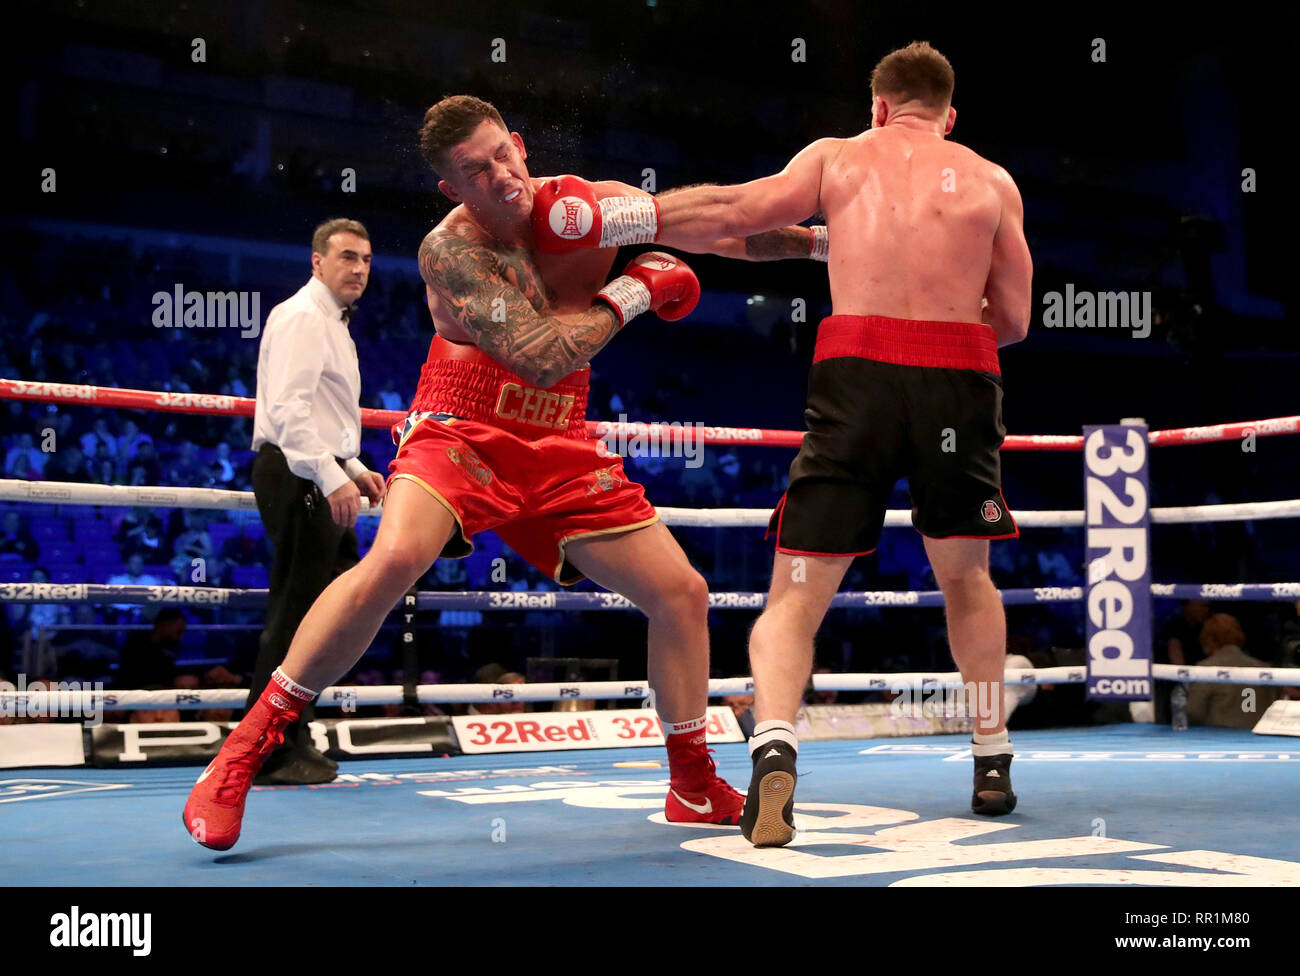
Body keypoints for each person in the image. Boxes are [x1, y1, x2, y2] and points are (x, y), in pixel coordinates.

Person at [184, 94, 820, 851]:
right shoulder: (449, 251)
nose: (499, 176)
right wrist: (633, 292)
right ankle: (244, 750)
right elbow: (541, 352)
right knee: (394, 558)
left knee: (681, 592)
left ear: (519, 146)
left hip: (560, 437)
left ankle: (690, 782)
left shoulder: (593, 211)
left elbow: (718, 224)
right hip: (465, 427)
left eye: (501, 156)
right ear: (454, 188)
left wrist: (820, 248)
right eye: (474, 172)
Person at [534, 42, 1033, 845]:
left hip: (855, 375)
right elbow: (1012, 320)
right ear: (950, 115)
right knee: (967, 579)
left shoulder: (840, 157)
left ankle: (774, 748)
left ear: (877, 107)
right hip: (959, 378)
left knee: (797, 593)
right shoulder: (991, 179)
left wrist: (632, 215)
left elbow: (736, 213)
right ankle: (992, 757)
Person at [246, 217, 388, 785]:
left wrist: (352, 468)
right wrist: (331, 478)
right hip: (299, 474)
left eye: (367, 260)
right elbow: (289, 413)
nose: (358, 268)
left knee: (323, 616)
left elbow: (322, 419)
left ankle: (294, 736)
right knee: (294, 616)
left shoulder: (332, 323)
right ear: (318, 262)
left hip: (318, 472)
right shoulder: (303, 317)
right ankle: (268, 751)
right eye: (348, 257)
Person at [1186, 613, 1282, 729]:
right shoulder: (1263, 668)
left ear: (1207, 639)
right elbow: (1274, 708)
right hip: (1259, 741)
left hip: (1216, 741)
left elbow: (1193, 712)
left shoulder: (1206, 669)